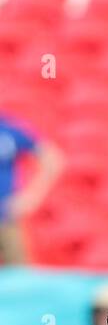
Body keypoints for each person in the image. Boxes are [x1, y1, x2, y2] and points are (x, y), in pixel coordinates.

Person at [0, 111, 62, 264]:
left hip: (5, 218)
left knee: (18, 275)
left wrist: (31, 197)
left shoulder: (8, 130)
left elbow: (52, 159)